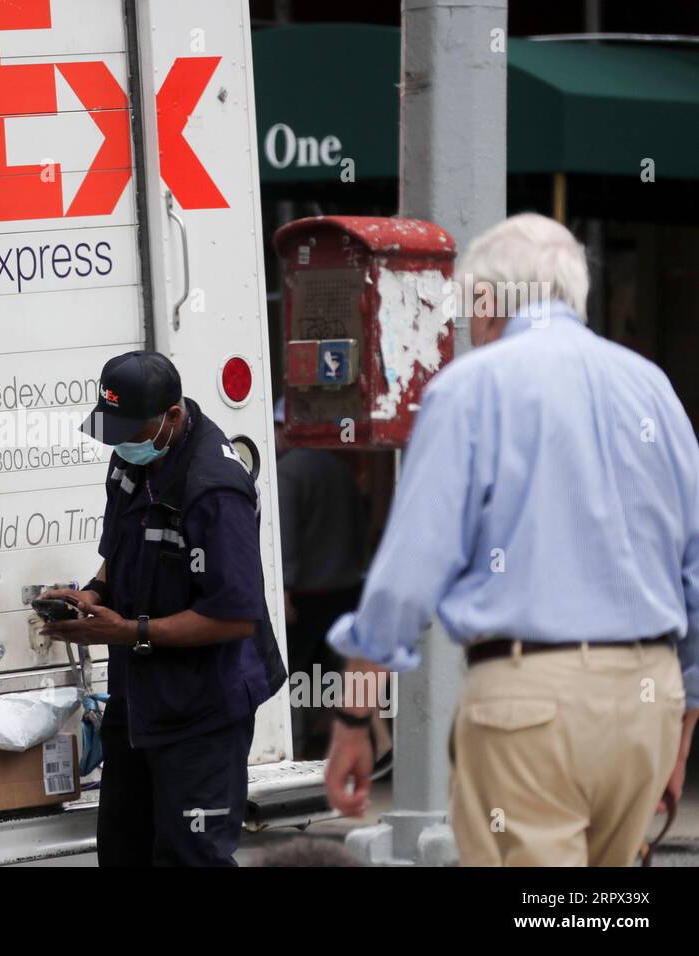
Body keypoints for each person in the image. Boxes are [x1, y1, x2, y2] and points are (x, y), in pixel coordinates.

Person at [323, 213, 699, 866]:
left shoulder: (470, 389)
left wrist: (356, 717)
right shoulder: (653, 389)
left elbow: (404, 583)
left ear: (487, 300)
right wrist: (682, 724)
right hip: (646, 700)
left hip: (528, 703)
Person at [40, 350, 287, 866]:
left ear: (172, 416)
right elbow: (119, 551)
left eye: (130, 431)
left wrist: (130, 631)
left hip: (204, 714)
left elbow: (235, 616)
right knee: (123, 851)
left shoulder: (215, 489)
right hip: (140, 703)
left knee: (190, 856)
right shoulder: (132, 458)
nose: (119, 444)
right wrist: (94, 594)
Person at [272, 398, 372, 761]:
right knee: (337, 676)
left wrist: (282, 588)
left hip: (305, 594)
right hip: (346, 590)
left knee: (293, 675)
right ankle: (345, 749)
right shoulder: (340, 469)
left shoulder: (287, 471)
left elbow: (284, 535)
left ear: (288, 429)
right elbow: (360, 528)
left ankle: (297, 752)